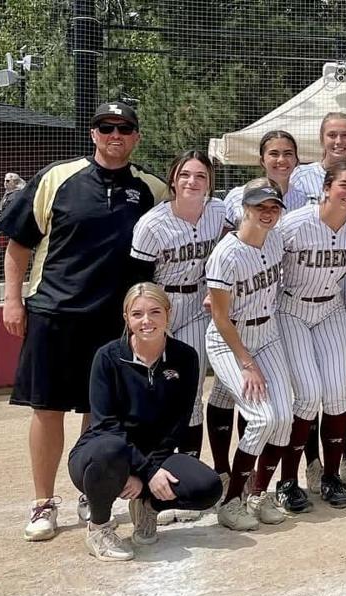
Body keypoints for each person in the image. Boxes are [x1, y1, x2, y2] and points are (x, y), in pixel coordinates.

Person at [0, 101, 168, 541]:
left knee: (100, 415)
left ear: (136, 136)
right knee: (47, 409)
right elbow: (18, 246)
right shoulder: (57, 178)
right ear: (93, 134)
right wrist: (12, 302)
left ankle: (91, 489)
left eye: (125, 127)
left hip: (114, 324)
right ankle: (42, 502)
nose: (116, 134)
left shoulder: (152, 189)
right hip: (54, 313)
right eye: (106, 127)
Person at [67, 283, 223, 561]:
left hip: (155, 454)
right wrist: (146, 471)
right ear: (126, 318)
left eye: (154, 312)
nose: (146, 321)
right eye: (137, 314)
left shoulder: (185, 357)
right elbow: (105, 425)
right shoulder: (107, 357)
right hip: (104, 453)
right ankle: (99, 527)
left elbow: (178, 423)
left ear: (168, 314)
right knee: (110, 450)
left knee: (207, 487)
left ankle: (147, 507)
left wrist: (148, 472)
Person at [129, 150, 229, 525]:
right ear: (173, 180)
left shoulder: (218, 212)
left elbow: (240, 236)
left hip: (200, 304)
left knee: (191, 396)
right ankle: (151, 477)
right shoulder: (152, 224)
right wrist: (148, 320)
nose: (192, 181)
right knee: (156, 394)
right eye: (185, 175)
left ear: (209, 182)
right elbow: (138, 280)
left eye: (200, 176)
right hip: (161, 307)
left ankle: (185, 478)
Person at [209, 131, 300, 485]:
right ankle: (234, 494)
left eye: (273, 207)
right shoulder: (226, 254)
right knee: (262, 418)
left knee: (284, 418)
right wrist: (247, 363)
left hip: (268, 330)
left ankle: (258, 492)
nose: (267, 213)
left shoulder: (276, 238)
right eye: (259, 206)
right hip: (232, 337)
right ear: (244, 208)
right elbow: (219, 316)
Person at [274, 161, 346, 510]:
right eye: (345, 184)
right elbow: (264, 260)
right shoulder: (295, 223)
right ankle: (287, 481)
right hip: (292, 309)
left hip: (330, 308)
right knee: (308, 396)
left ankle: (330, 476)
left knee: (338, 397)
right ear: (326, 187)